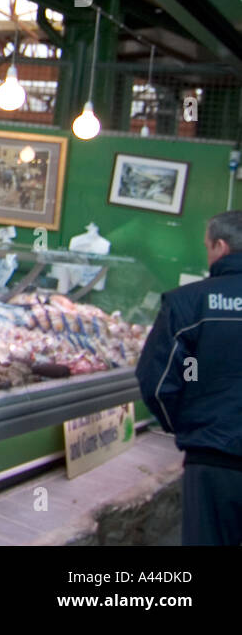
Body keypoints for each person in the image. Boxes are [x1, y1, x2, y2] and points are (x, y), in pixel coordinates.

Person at [135, 210, 242, 545]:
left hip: (212, 459)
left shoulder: (189, 302)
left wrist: (183, 424)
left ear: (221, 247)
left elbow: (160, 380)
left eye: (208, 246)